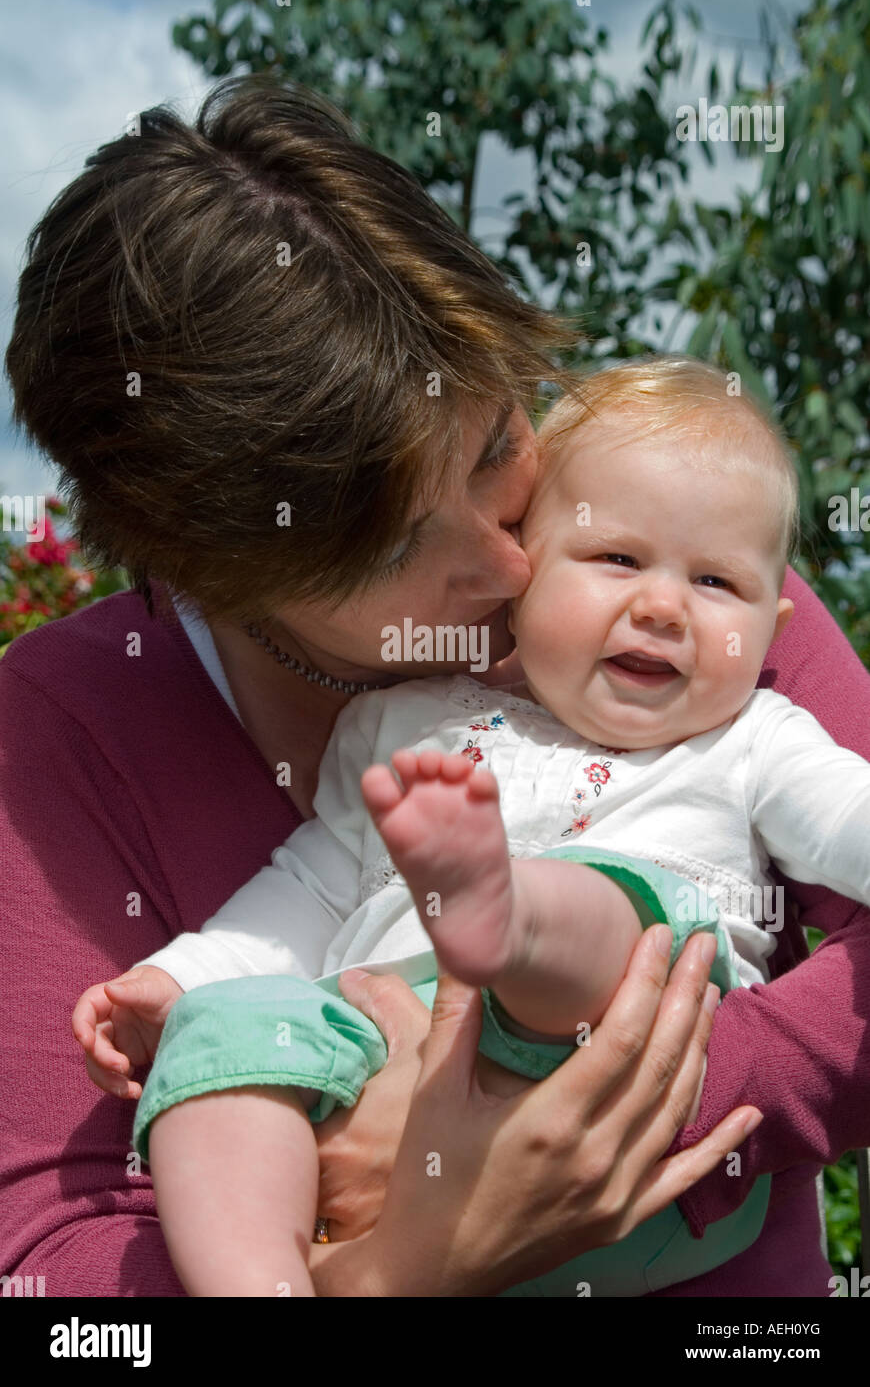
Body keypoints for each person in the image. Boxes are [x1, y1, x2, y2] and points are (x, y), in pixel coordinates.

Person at [2, 76, 868, 1299]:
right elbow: (51, 1263)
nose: (516, 557)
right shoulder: (66, 727)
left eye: (497, 442)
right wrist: (409, 1260)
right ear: (224, 575)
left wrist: (592, 1123)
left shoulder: (675, 590)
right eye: (412, 541)